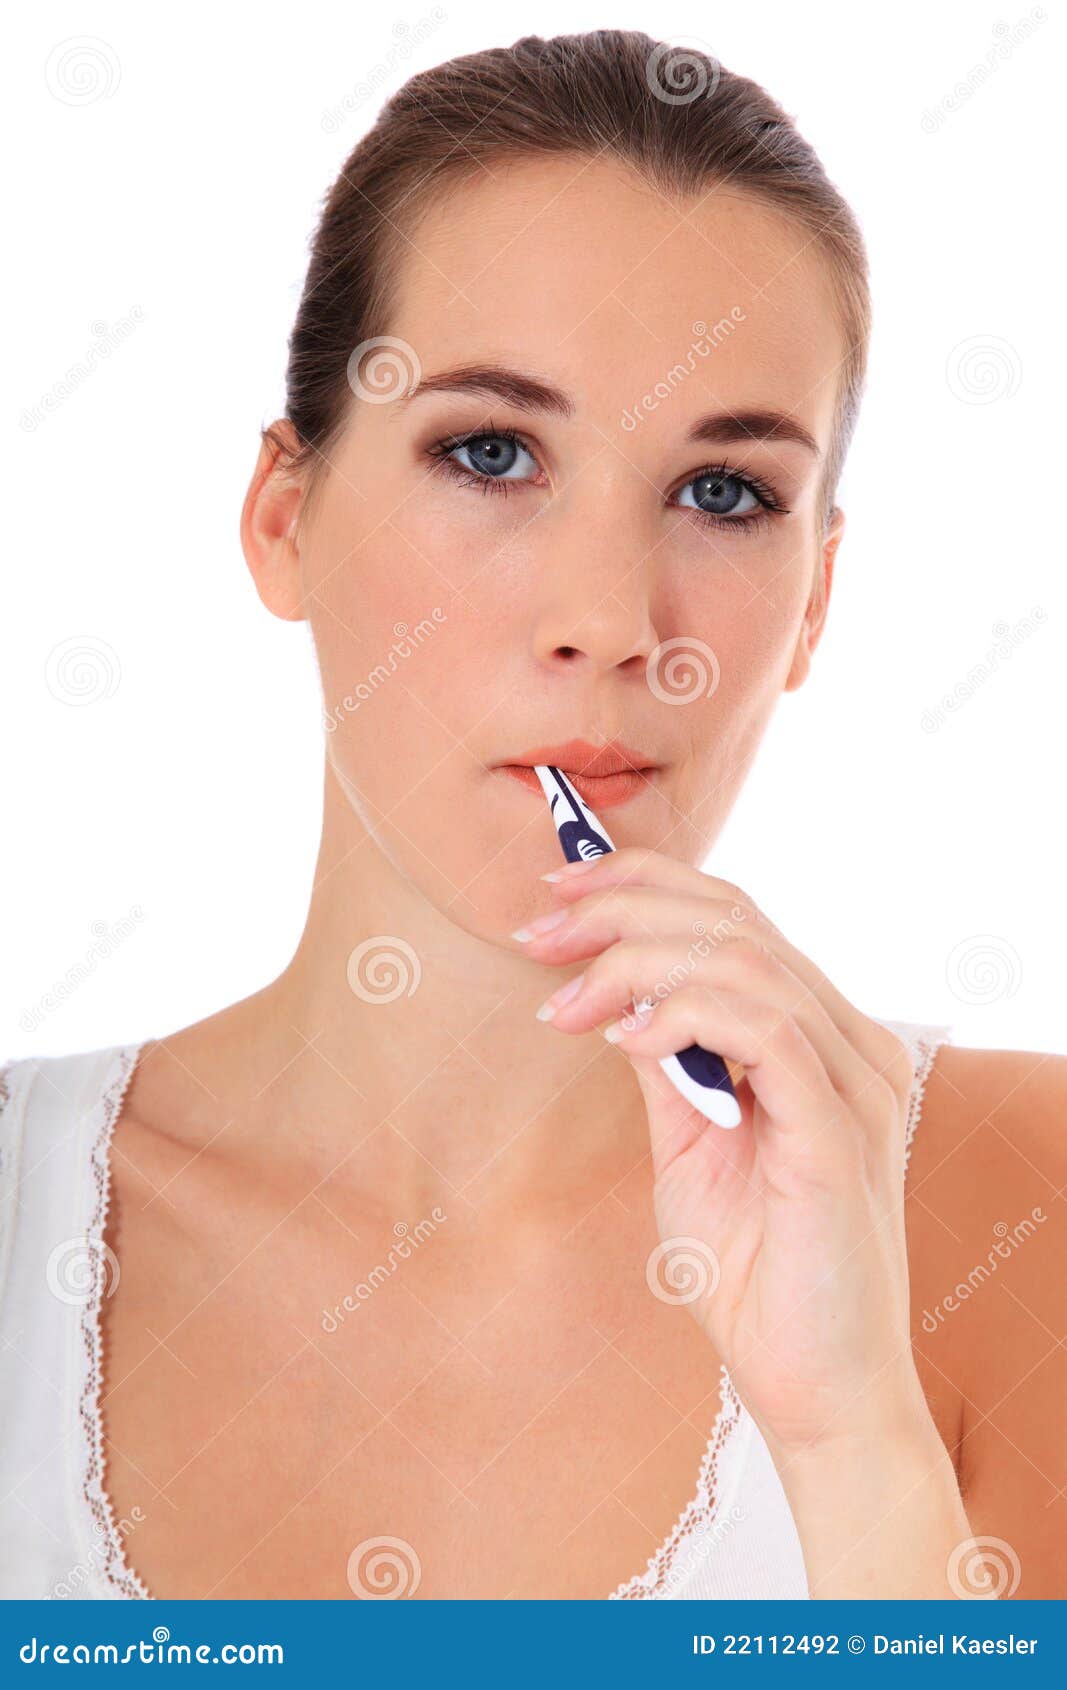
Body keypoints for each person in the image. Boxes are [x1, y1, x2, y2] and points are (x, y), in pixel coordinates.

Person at [1, 29, 1063, 1602]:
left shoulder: (1021, 1201)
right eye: (492, 453)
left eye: (725, 492)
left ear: (819, 596)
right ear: (283, 518)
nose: (612, 618)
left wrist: (855, 1446)